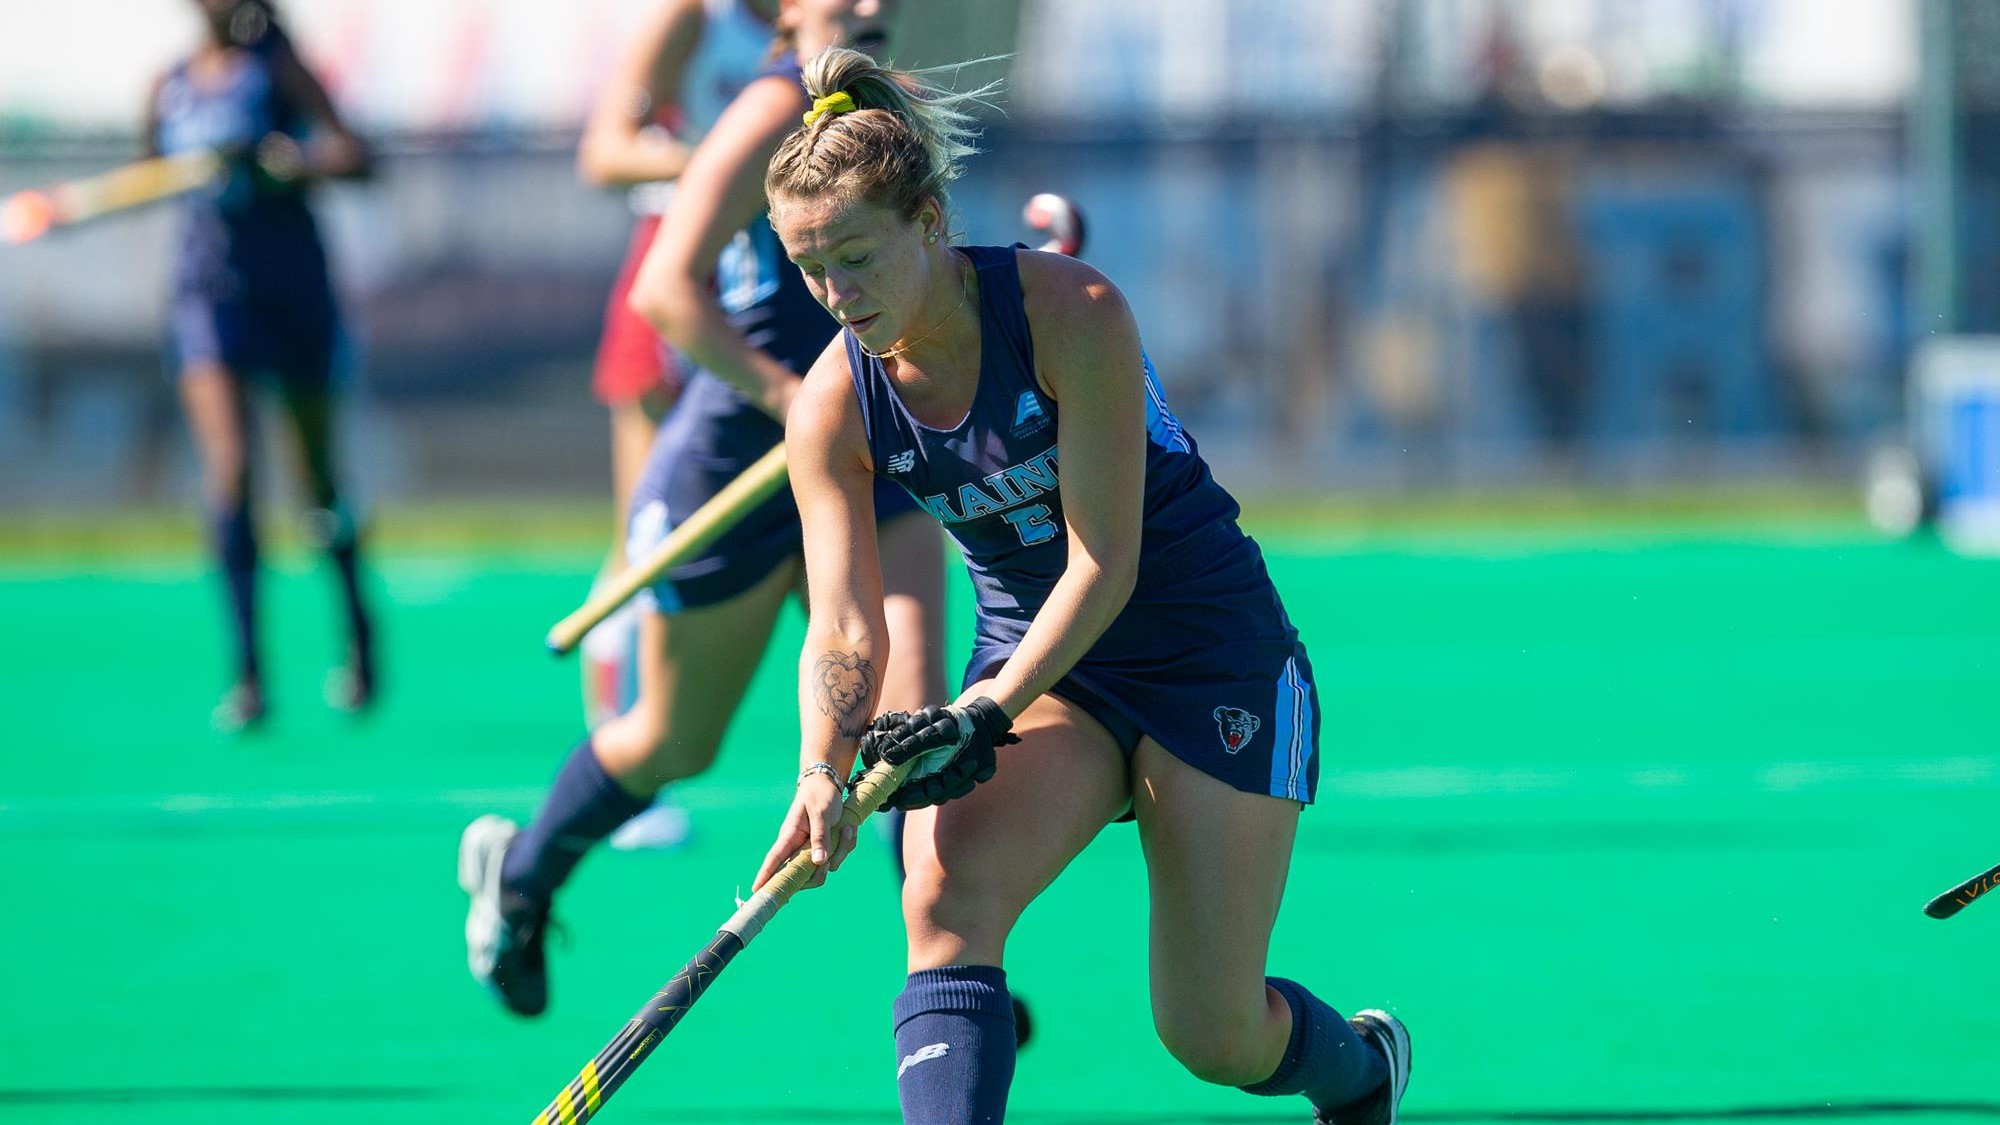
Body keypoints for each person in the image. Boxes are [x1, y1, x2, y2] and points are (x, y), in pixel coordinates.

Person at [752, 48, 1413, 1125]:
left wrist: (980, 713)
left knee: (1211, 1032)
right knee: (941, 896)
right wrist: (819, 768)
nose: (837, 295)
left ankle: (1361, 1068)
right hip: (1048, 674)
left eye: (857, 257)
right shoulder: (829, 406)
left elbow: (1105, 560)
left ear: (929, 222)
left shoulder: (1073, 312)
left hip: (1207, 655)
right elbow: (842, 624)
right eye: (809, 267)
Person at [456, 0, 946, 1020]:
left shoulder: (892, 106)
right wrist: (797, 405)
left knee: (913, 722)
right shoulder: (770, 107)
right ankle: (524, 877)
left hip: (871, 450)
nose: (869, 5)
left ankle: (951, 964)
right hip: (737, 459)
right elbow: (667, 291)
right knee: (673, 742)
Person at [574, 0, 781, 850]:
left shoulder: (825, 25)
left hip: (771, 293)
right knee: (644, 535)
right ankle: (621, 764)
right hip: (682, 288)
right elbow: (604, 152)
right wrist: (725, 159)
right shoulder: (695, 19)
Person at [148, 0, 375, 733]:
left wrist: (289, 162)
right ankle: (248, 671)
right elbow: (151, 176)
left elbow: (357, 157)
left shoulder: (279, 71)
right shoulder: (170, 86)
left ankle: (357, 631)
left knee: (316, 481)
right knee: (232, 470)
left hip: (292, 292)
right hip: (208, 297)